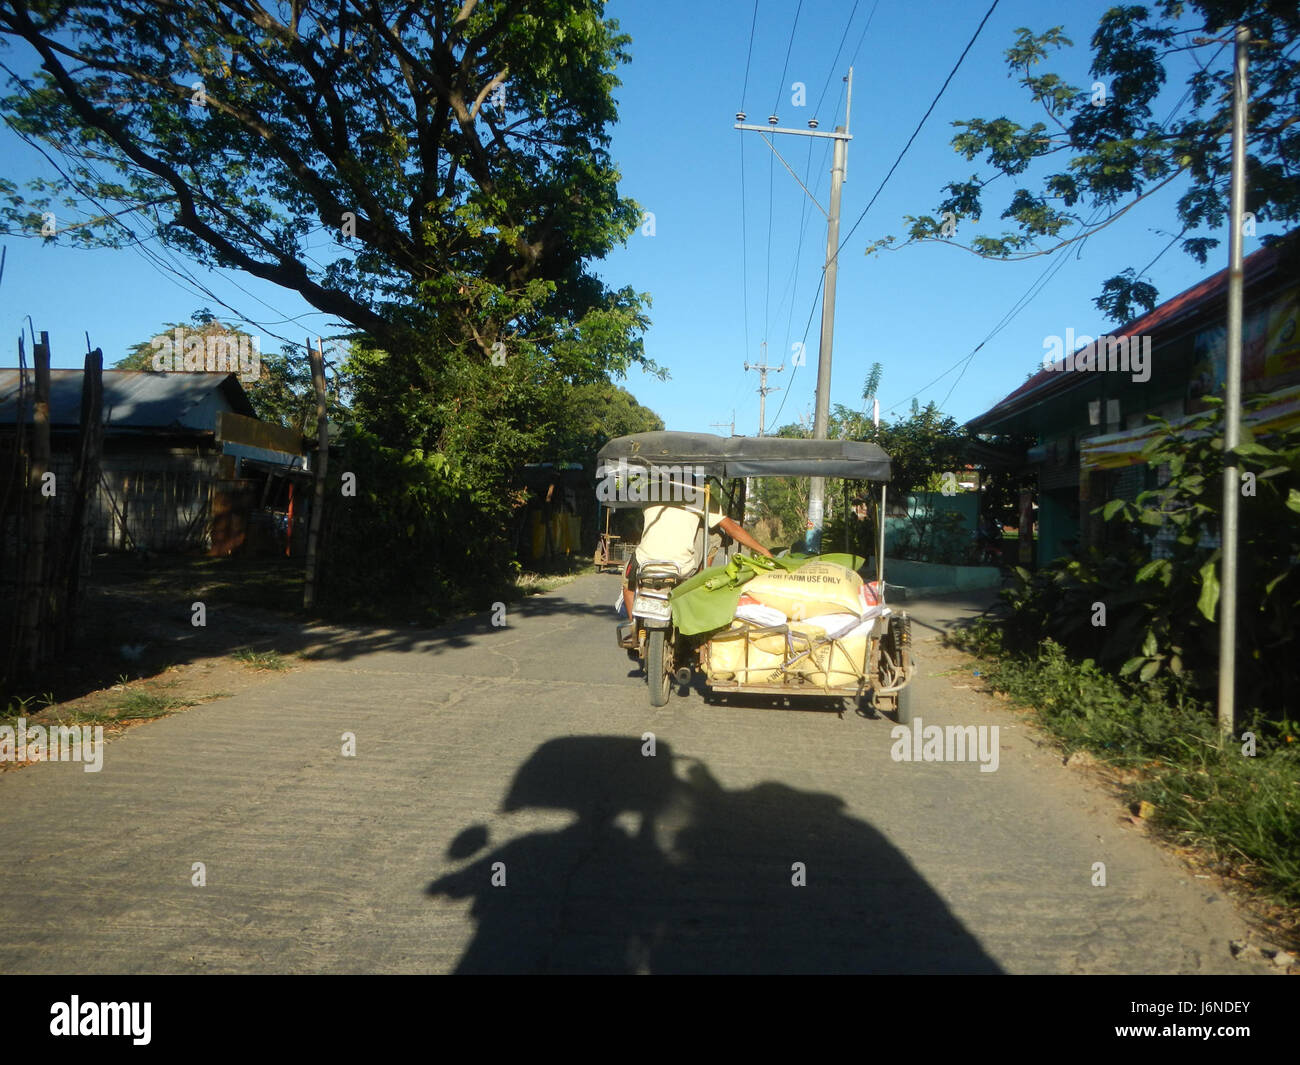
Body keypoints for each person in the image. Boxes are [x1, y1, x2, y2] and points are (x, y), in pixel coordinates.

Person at [619, 497, 772, 645]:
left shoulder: (651, 489)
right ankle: (699, 584)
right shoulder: (700, 494)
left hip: (645, 564)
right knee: (716, 533)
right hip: (682, 566)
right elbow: (731, 528)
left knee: (628, 583)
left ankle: (635, 629)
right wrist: (762, 549)